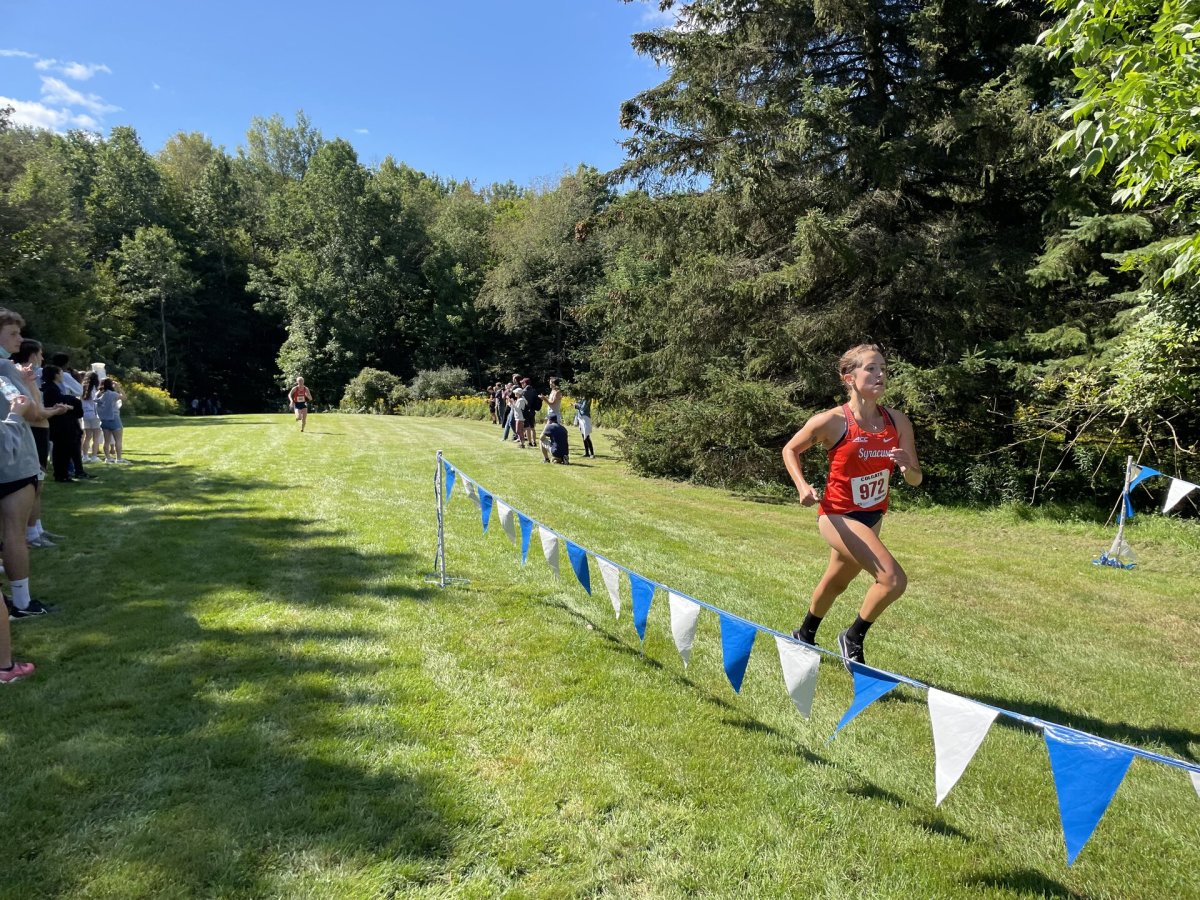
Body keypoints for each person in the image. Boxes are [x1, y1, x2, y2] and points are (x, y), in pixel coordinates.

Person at [781, 344, 922, 666]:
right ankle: (853, 636)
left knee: (837, 580)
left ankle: (804, 634)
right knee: (892, 579)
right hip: (837, 515)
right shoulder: (831, 421)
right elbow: (790, 449)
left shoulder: (897, 422)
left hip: (873, 516)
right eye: (871, 368)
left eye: (883, 368)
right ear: (849, 377)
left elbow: (916, 479)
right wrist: (802, 487)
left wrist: (907, 467)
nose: (880, 374)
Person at [0, 307, 53, 627]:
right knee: (14, 534)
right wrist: (30, 383)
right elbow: (34, 413)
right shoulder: (6, 368)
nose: (20, 339)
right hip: (14, 461)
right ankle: (21, 603)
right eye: (13, 333)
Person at [95, 377, 130, 464]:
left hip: (103, 420)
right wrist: (118, 387)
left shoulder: (99, 394)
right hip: (114, 418)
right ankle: (118, 459)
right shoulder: (113, 394)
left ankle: (108, 458)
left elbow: (95, 397)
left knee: (106, 441)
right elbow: (124, 397)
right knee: (118, 440)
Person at [80, 371, 104, 461]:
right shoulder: (96, 389)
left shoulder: (82, 388)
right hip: (95, 415)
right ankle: (94, 456)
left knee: (87, 437)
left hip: (85, 415)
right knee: (96, 437)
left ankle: (85, 456)